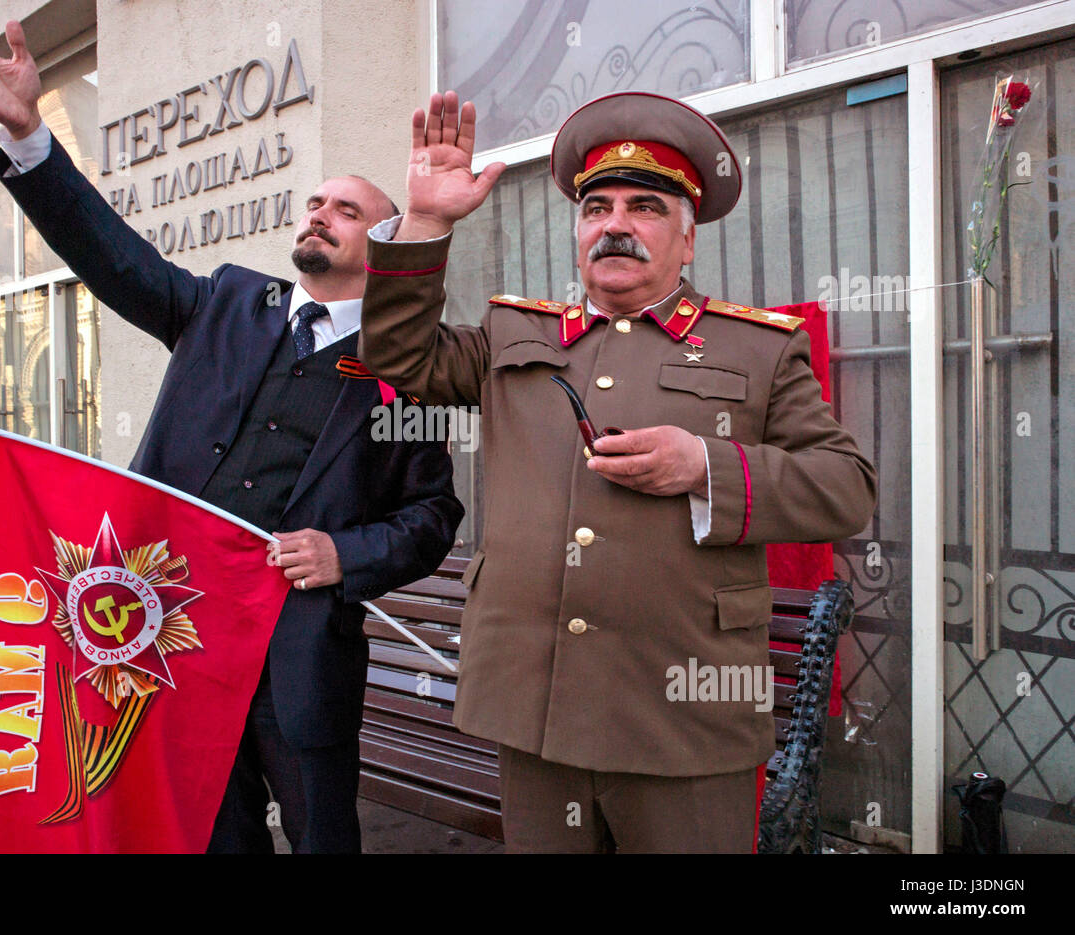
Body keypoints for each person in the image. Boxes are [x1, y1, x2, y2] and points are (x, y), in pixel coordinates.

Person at [0, 21, 463, 854]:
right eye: (317, 201)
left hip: (299, 660)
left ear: (385, 246)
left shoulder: (407, 365)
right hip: (168, 637)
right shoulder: (224, 303)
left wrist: (343, 554)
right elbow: (111, 257)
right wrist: (30, 135)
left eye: (347, 210)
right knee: (206, 834)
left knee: (325, 837)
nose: (321, 214)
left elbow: (434, 513)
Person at [357, 90, 877, 853]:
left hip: (682, 717)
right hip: (536, 706)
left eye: (645, 207)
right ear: (578, 233)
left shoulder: (758, 350)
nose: (616, 225)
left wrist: (702, 465)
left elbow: (846, 485)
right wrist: (429, 223)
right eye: (596, 208)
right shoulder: (514, 332)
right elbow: (397, 358)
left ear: (688, 239)